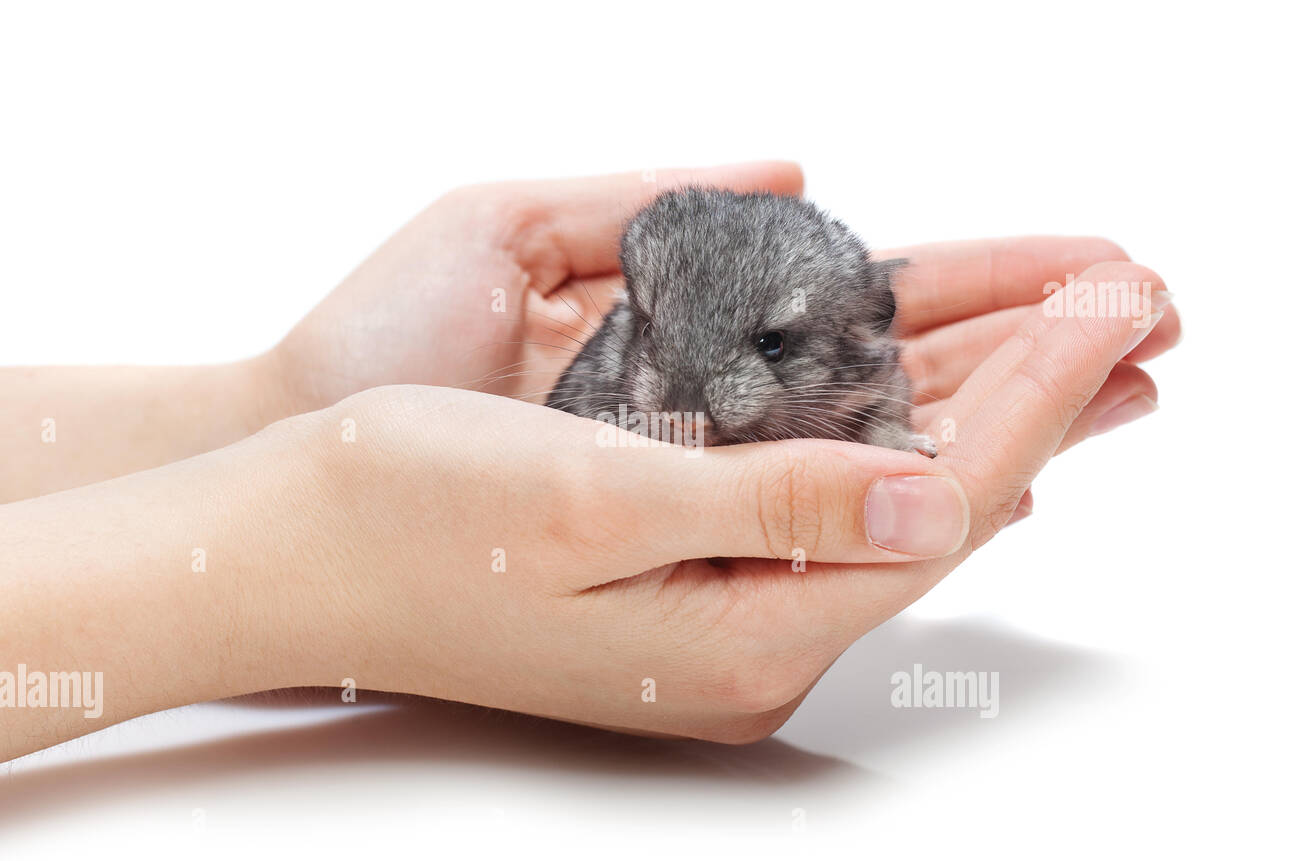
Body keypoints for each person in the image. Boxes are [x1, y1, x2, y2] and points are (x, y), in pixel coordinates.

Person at [0, 162, 1177, 761]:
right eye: (654, 336)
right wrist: (336, 560)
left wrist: (266, 412)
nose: (687, 391)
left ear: (862, 333)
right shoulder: (608, 384)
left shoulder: (869, 378)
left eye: (768, 345)